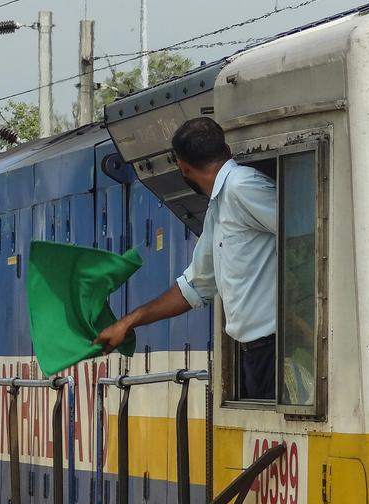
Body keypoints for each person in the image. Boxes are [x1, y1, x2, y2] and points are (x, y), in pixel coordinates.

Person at [95, 117, 278, 399]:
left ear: (183, 167)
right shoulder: (221, 205)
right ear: (226, 150)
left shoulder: (243, 187)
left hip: (276, 349)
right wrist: (127, 323)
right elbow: (194, 287)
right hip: (254, 355)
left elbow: (305, 232)